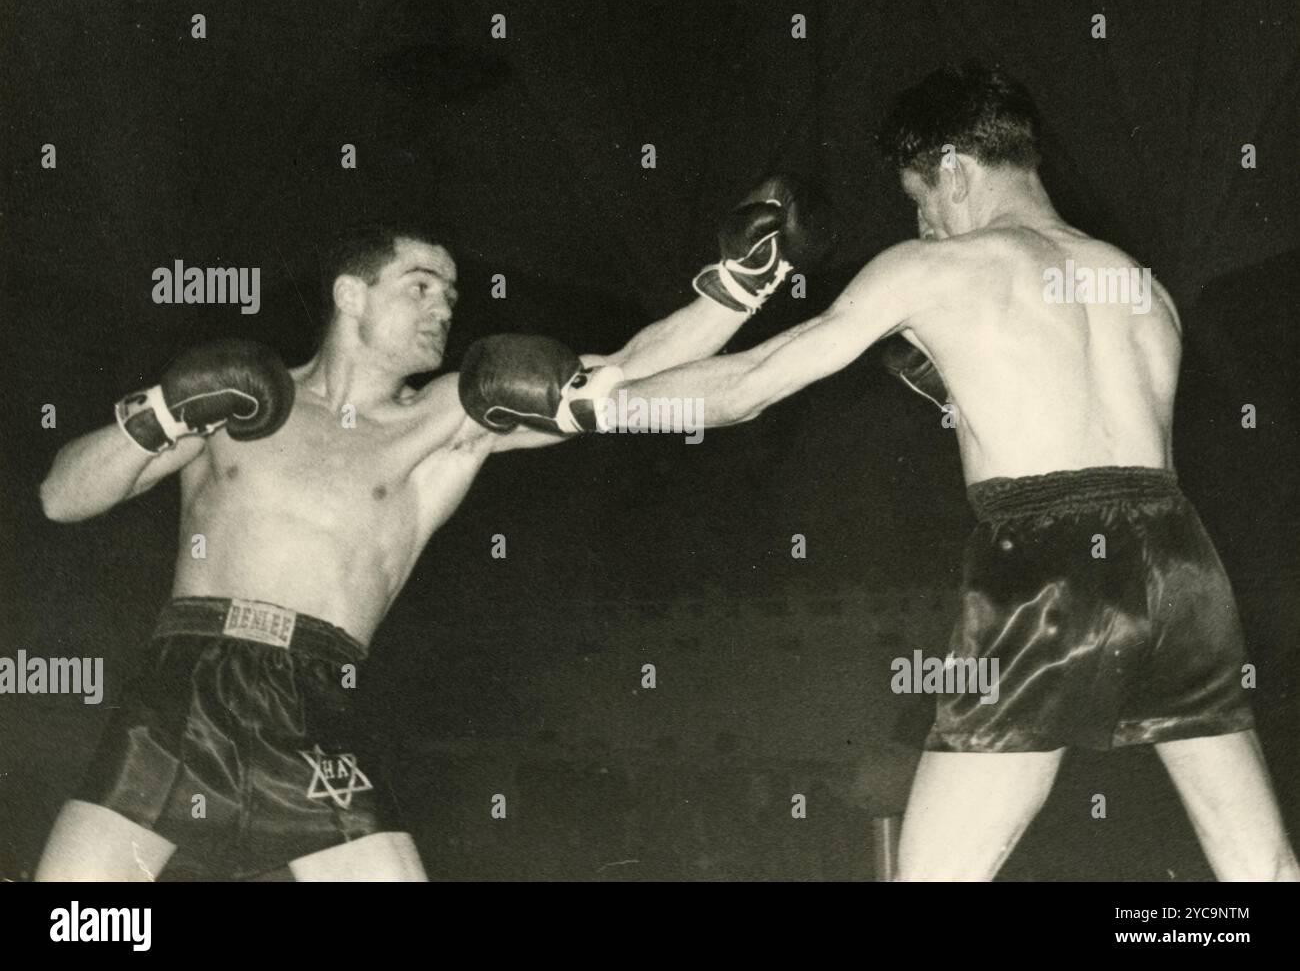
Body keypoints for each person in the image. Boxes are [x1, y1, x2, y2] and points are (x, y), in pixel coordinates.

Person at [485, 63, 1299, 881]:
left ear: (951, 169)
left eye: (918, 197)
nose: (924, 220)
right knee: (1259, 865)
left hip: (1047, 568)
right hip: (1183, 559)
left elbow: (744, 391)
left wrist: (591, 406)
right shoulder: (1138, 284)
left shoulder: (933, 267)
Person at [35, 177, 835, 881]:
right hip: (180, 694)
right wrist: (165, 412)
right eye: (420, 287)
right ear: (351, 294)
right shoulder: (242, 397)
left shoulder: (447, 417)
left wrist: (739, 285)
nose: (444, 308)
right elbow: (61, 498)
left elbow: (629, 372)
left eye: (451, 295)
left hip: (314, 706)